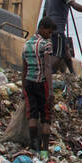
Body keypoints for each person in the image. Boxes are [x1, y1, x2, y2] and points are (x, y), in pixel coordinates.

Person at [23, 16, 55, 151]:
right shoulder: (46, 44)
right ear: (42, 28)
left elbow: (23, 68)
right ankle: (45, 151)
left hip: (28, 83)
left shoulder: (26, 44)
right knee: (46, 117)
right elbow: (48, 67)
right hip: (42, 83)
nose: (50, 35)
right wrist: (51, 90)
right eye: (49, 32)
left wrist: (22, 88)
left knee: (32, 115)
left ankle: (34, 147)